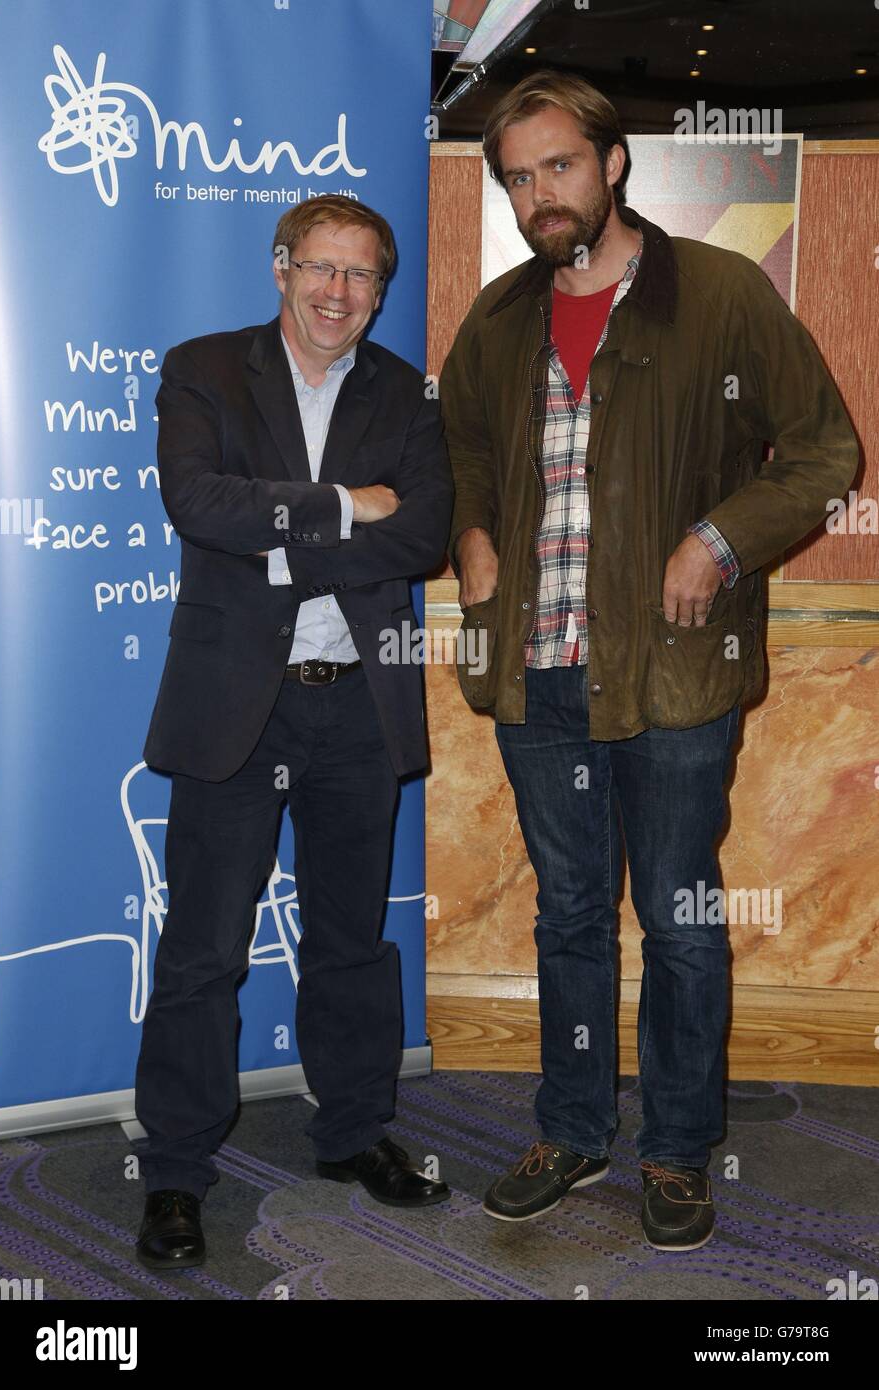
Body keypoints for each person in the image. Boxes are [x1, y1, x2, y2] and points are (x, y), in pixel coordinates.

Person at [439, 72, 859, 1249]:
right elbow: (463, 440)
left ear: (612, 162)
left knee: (676, 920)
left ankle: (675, 1149)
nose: (538, 195)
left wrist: (716, 541)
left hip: (673, 673)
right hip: (537, 670)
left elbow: (825, 448)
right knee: (568, 916)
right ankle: (573, 1128)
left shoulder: (716, 293)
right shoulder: (500, 313)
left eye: (557, 166)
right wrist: (469, 533)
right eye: (517, 177)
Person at [133, 195, 454, 1270]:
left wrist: (288, 538)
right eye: (320, 268)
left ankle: (353, 1131)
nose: (339, 294)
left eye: (362, 277)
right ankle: (176, 1168)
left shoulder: (405, 390)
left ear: (380, 288)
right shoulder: (205, 368)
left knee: (351, 942)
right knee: (203, 949)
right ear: (280, 268)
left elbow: (420, 531)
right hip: (240, 700)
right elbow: (199, 504)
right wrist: (339, 504)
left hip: (356, 702)